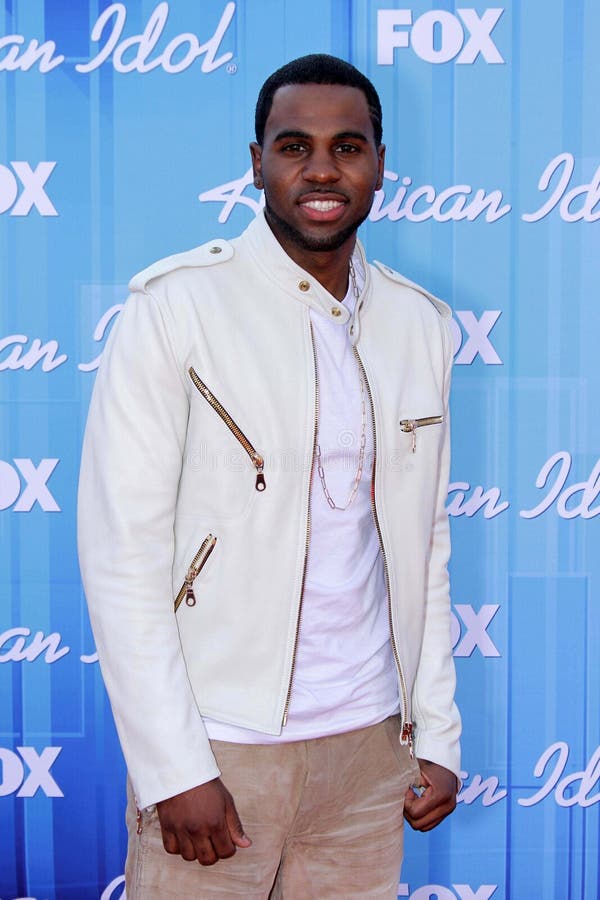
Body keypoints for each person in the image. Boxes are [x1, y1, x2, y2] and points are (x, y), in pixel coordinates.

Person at [78, 54, 461, 899]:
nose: (322, 169)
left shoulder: (420, 325)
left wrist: (436, 730)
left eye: (347, 147)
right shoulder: (173, 308)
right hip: (221, 746)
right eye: (294, 146)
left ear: (380, 166)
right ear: (256, 162)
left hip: (370, 750)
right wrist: (173, 765)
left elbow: (420, 546)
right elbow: (121, 557)